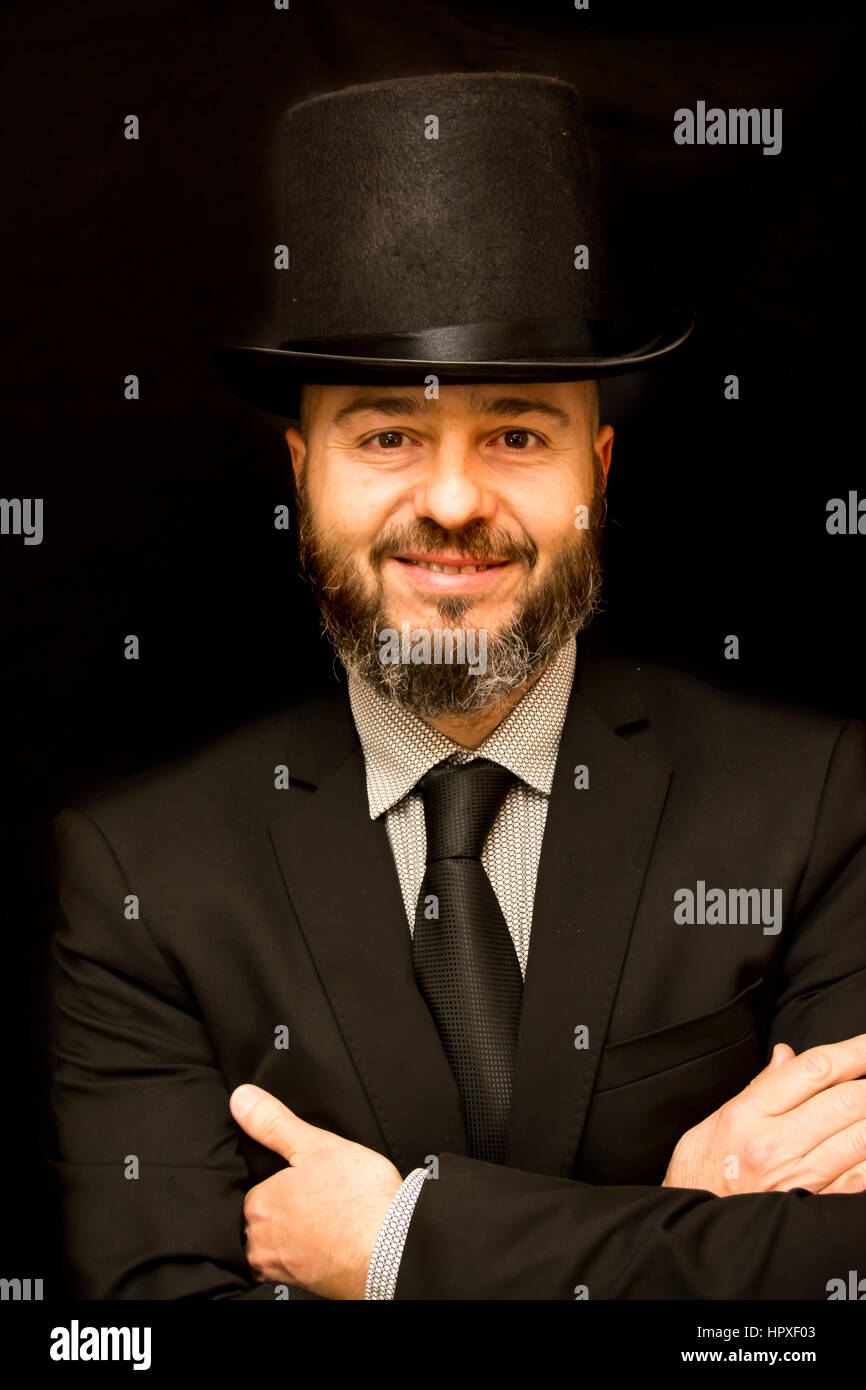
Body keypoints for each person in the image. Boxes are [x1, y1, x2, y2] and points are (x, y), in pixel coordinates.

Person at [49, 71, 866, 1301]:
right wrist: (676, 1238)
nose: (447, 498)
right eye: (385, 434)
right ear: (299, 469)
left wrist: (395, 1249)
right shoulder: (139, 879)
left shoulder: (814, 803)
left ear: (596, 468)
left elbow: (836, 1289)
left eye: (516, 433)